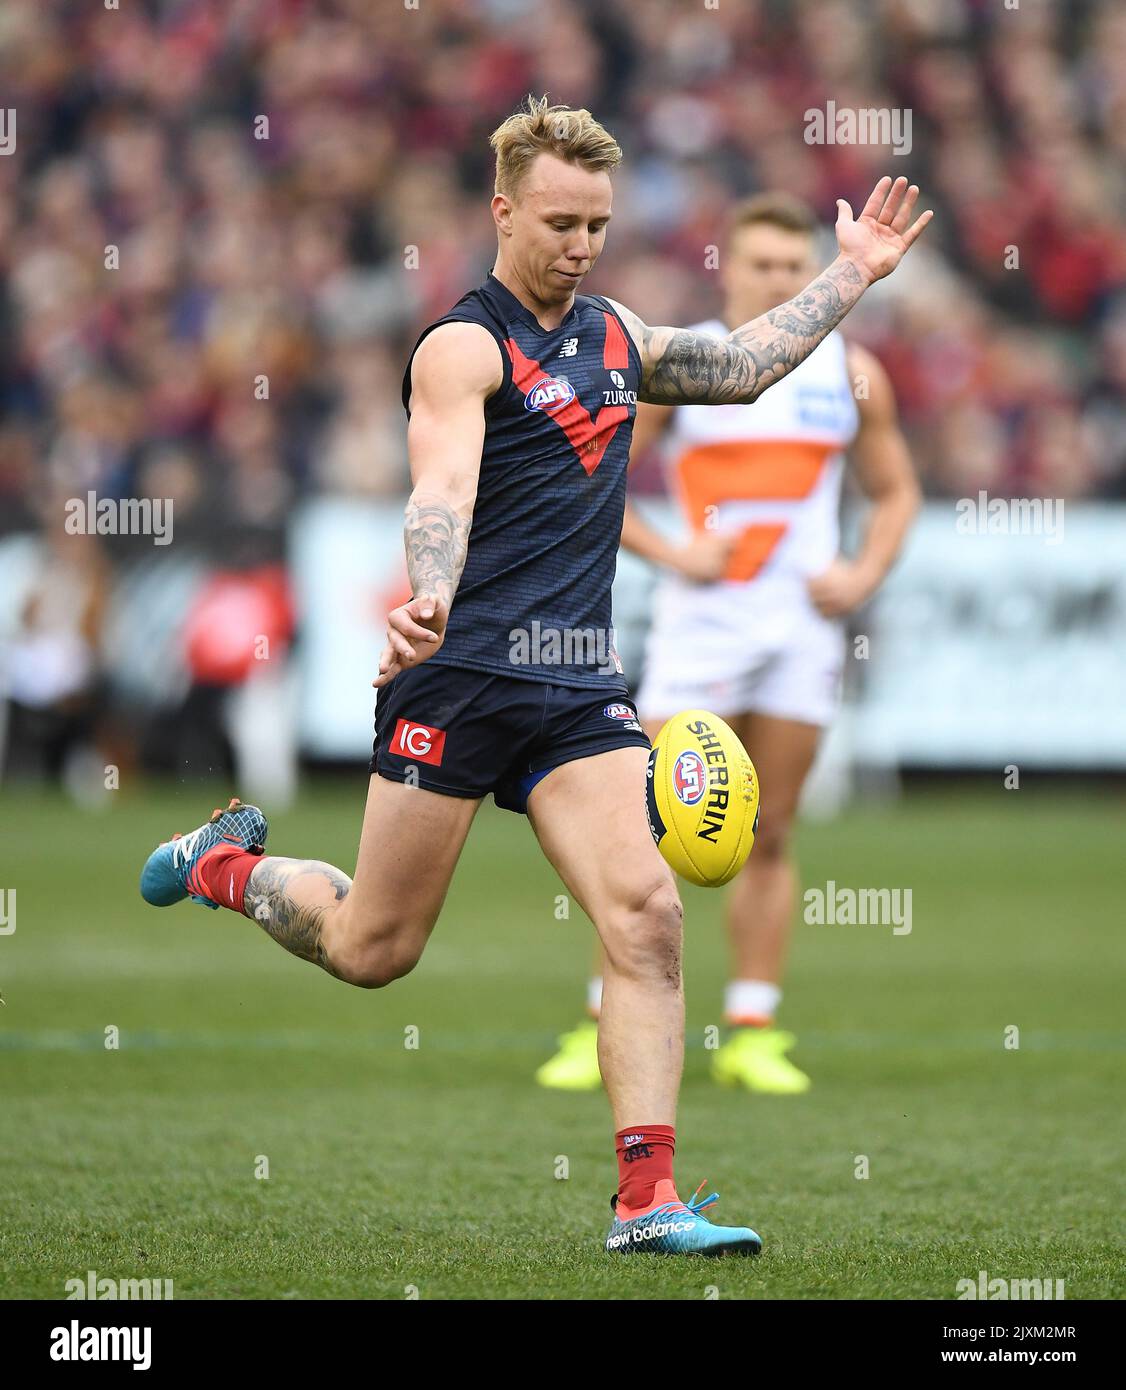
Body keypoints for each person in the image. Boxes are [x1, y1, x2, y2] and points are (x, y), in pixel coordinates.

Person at [140, 98, 931, 1256]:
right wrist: (426, 592)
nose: (580, 244)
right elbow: (440, 489)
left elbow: (743, 364)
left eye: (598, 224)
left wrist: (851, 275)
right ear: (501, 209)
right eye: (559, 221)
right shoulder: (462, 346)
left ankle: (645, 1200)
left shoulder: (614, 332)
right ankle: (222, 863)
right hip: (455, 672)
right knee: (374, 949)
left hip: (574, 687)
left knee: (648, 915)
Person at [537, 193, 921, 1097]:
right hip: (700, 629)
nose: (782, 280)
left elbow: (897, 491)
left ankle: (752, 1027)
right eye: (763, 265)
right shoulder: (687, 364)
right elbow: (595, 481)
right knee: (639, 832)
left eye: (796, 267)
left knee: (774, 830)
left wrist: (862, 575)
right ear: (729, 268)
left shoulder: (853, 373)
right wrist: (675, 551)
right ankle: (602, 1018)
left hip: (799, 630)